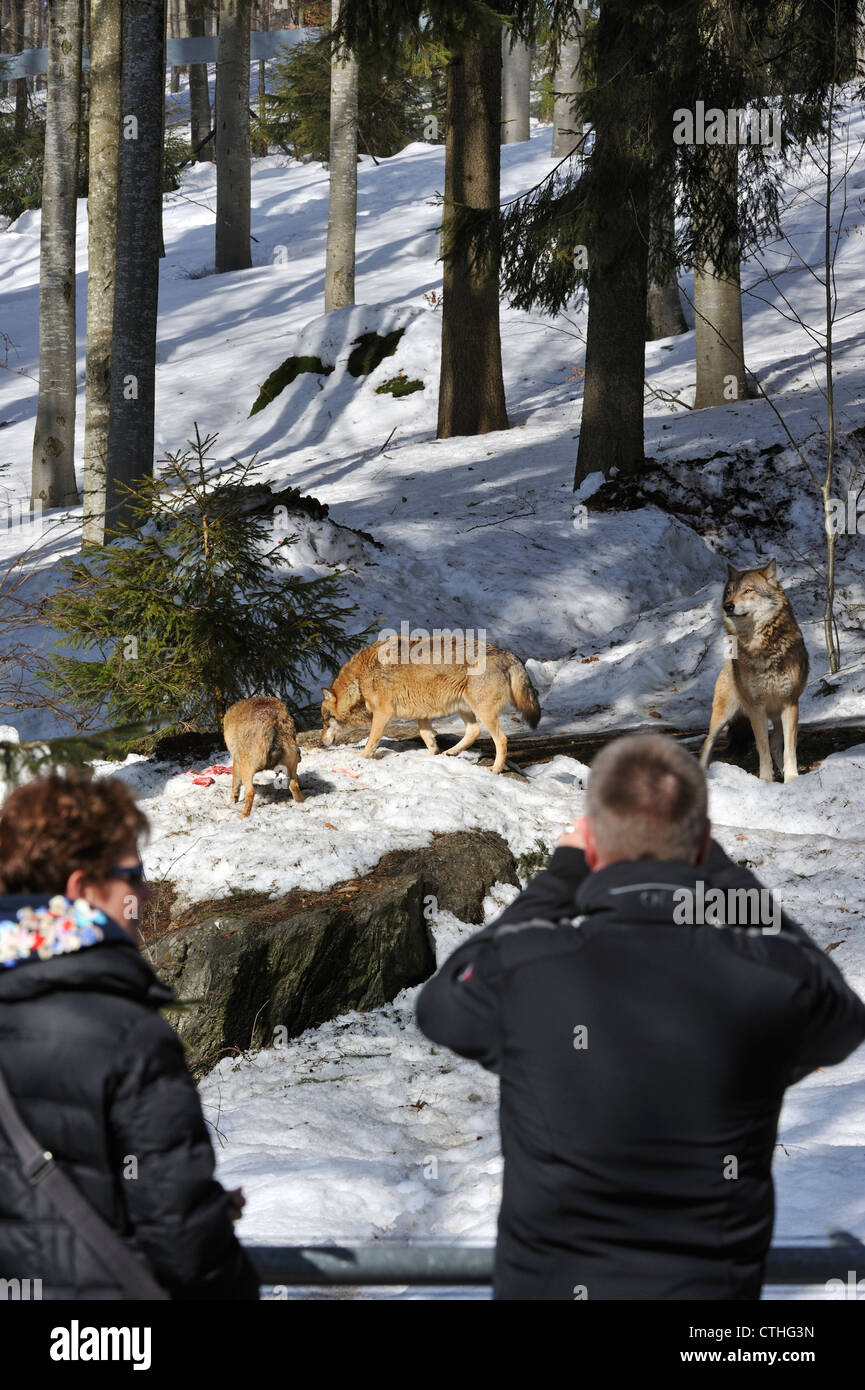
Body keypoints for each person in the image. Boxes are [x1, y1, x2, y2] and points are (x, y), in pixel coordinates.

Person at [416, 733, 865, 1300]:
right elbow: (842, 1015)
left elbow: (441, 1004)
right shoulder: (766, 976)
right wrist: (724, 875)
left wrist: (558, 879)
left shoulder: (530, 970)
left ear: (594, 845)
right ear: (700, 841)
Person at [0, 766, 258, 1300]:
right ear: (83, 889)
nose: (145, 892)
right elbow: (180, 1240)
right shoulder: (123, 1034)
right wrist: (203, 1222)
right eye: (133, 874)